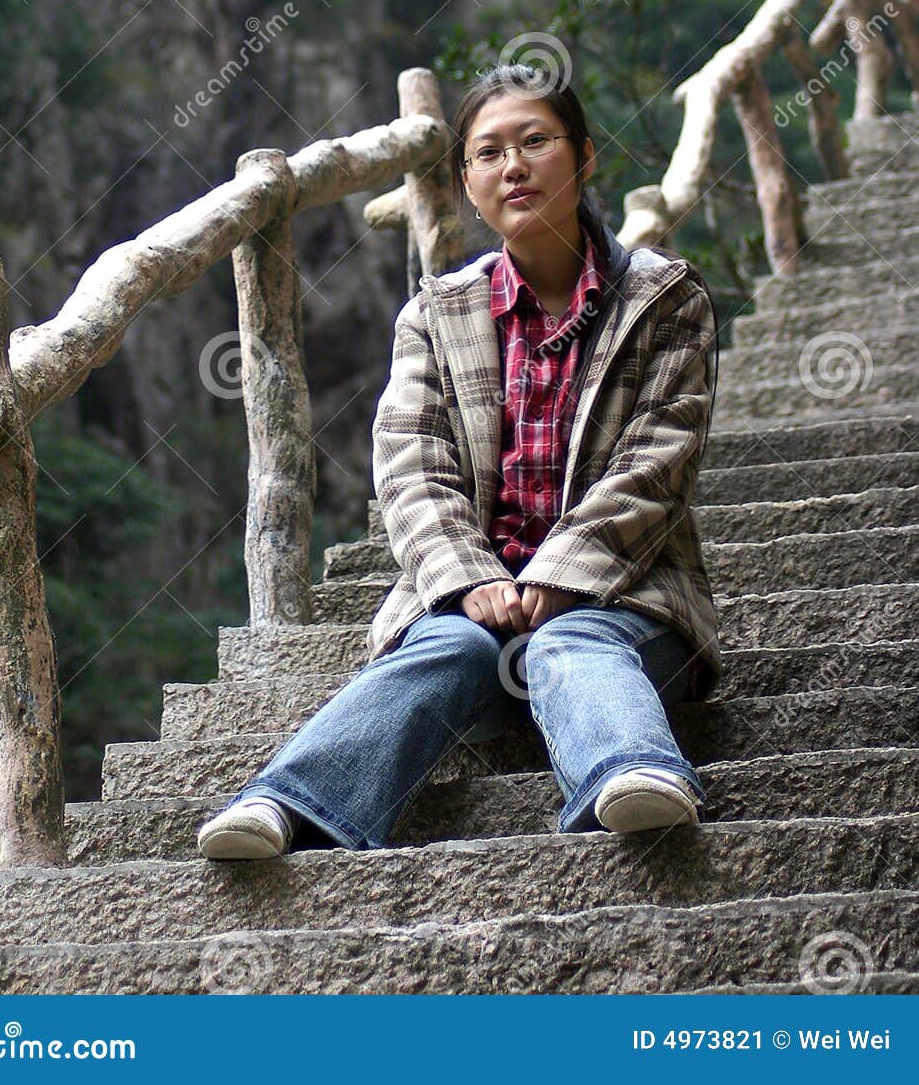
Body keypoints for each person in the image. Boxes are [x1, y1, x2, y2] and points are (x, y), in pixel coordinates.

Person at [196, 61, 722, 859]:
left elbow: (659, 457)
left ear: (582, 158)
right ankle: (285, 803)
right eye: (487, 153)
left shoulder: (663, 298)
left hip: (628, 598)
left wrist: (561, 576)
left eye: (534, 142)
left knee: (570, 640)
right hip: (467, 607)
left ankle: (634, 773)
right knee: (445, 647)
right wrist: (471, 579)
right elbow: (409, 464)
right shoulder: (436, 314)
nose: (512, 166)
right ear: (467, 183)